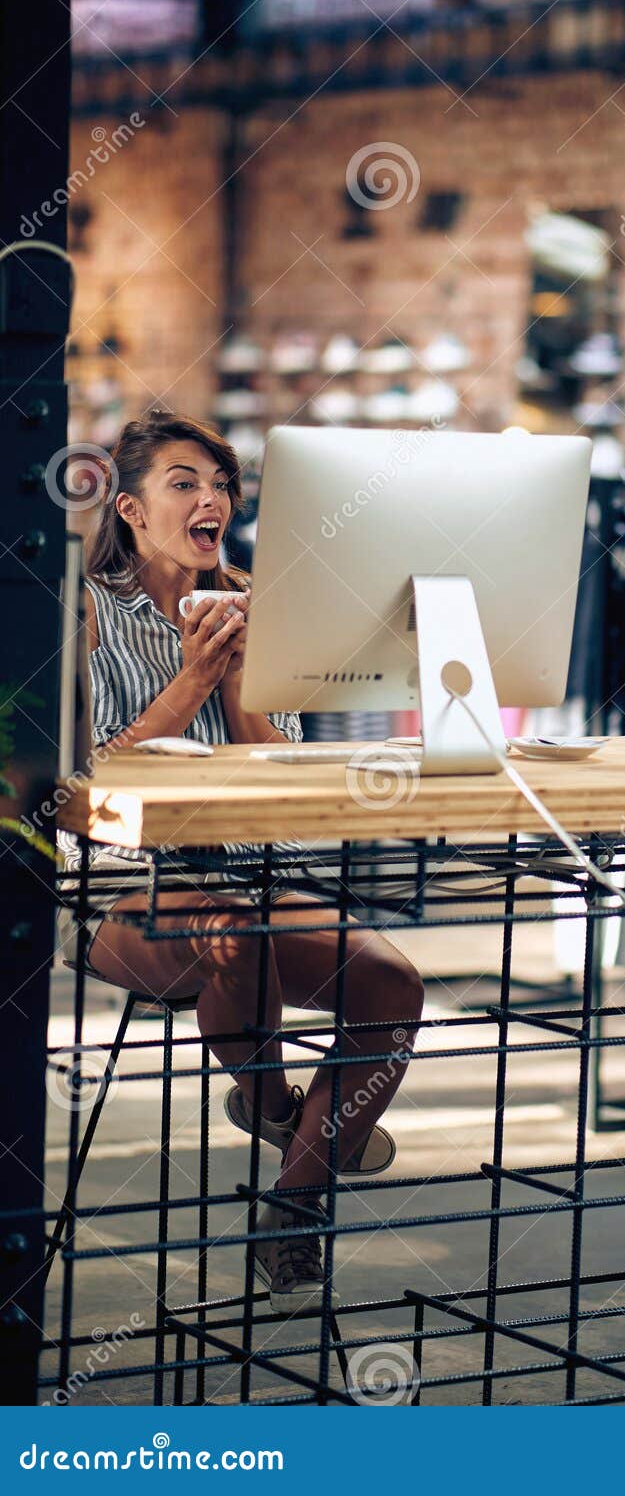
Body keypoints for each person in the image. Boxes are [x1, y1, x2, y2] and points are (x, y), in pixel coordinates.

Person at [61, 410, 424, 1310]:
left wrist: (237, 675)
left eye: (221, 484)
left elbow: (282, 768)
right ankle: (282, 1116)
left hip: (253, 875)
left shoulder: (263, 605)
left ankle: (294, 1204)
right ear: (134, 511)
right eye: (185, 482)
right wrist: (189, 677)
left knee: (392, 986)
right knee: (242, 935)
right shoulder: (87, 609)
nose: (211, 498)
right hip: (122, 887)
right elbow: (93, 776)